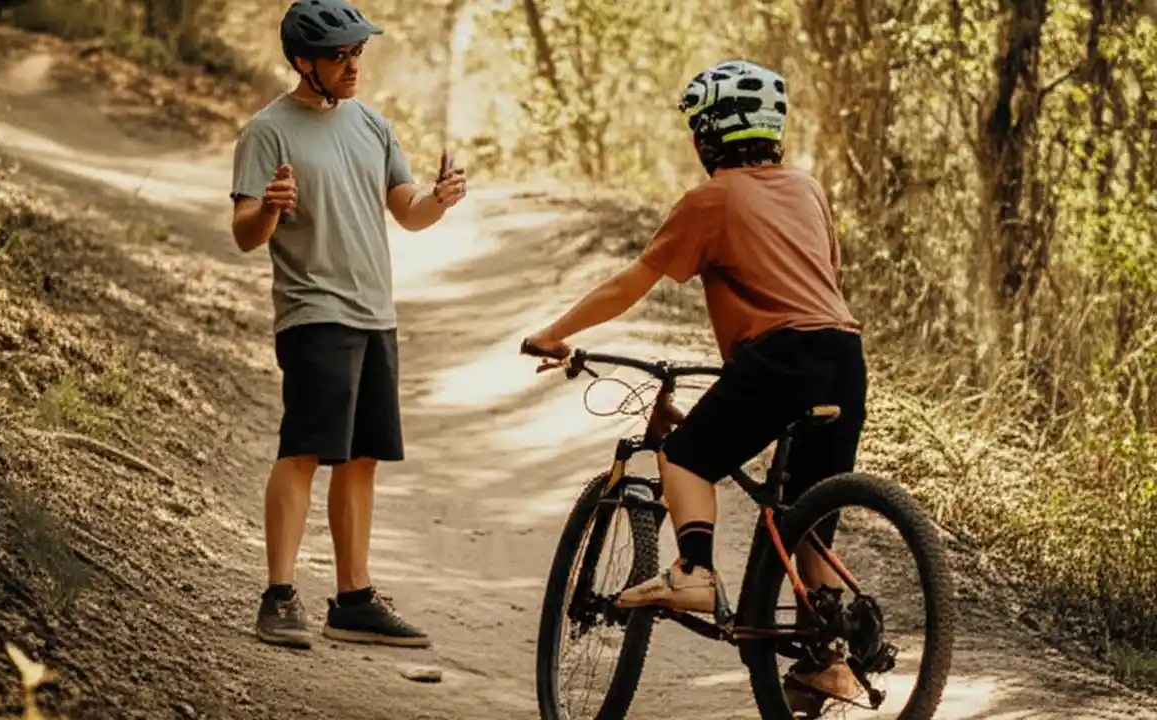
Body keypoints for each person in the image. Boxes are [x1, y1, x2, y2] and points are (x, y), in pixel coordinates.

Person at [520, 60, 866, 704]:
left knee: (685, 455)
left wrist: (556, 332)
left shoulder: (711, 199)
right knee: (808, 506)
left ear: (707, 135)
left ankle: (695, 570)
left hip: (780, 355)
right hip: (845, 354)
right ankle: (831, 653)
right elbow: (822, 278)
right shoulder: (808, 188)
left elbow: (632, 281)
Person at [230, 0, 466, 650]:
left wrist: (438, 201)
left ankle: (353, 598)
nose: (354, 63)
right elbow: (246, 233)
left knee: (362, 458)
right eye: (340, 55)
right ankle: (278, 597)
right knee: (305, 450)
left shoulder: (371, 124)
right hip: (314, 314)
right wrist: (270, 210)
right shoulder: (267, 132)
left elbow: (406, 209)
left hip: (374, 315)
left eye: (358, 52)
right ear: (305, 62)